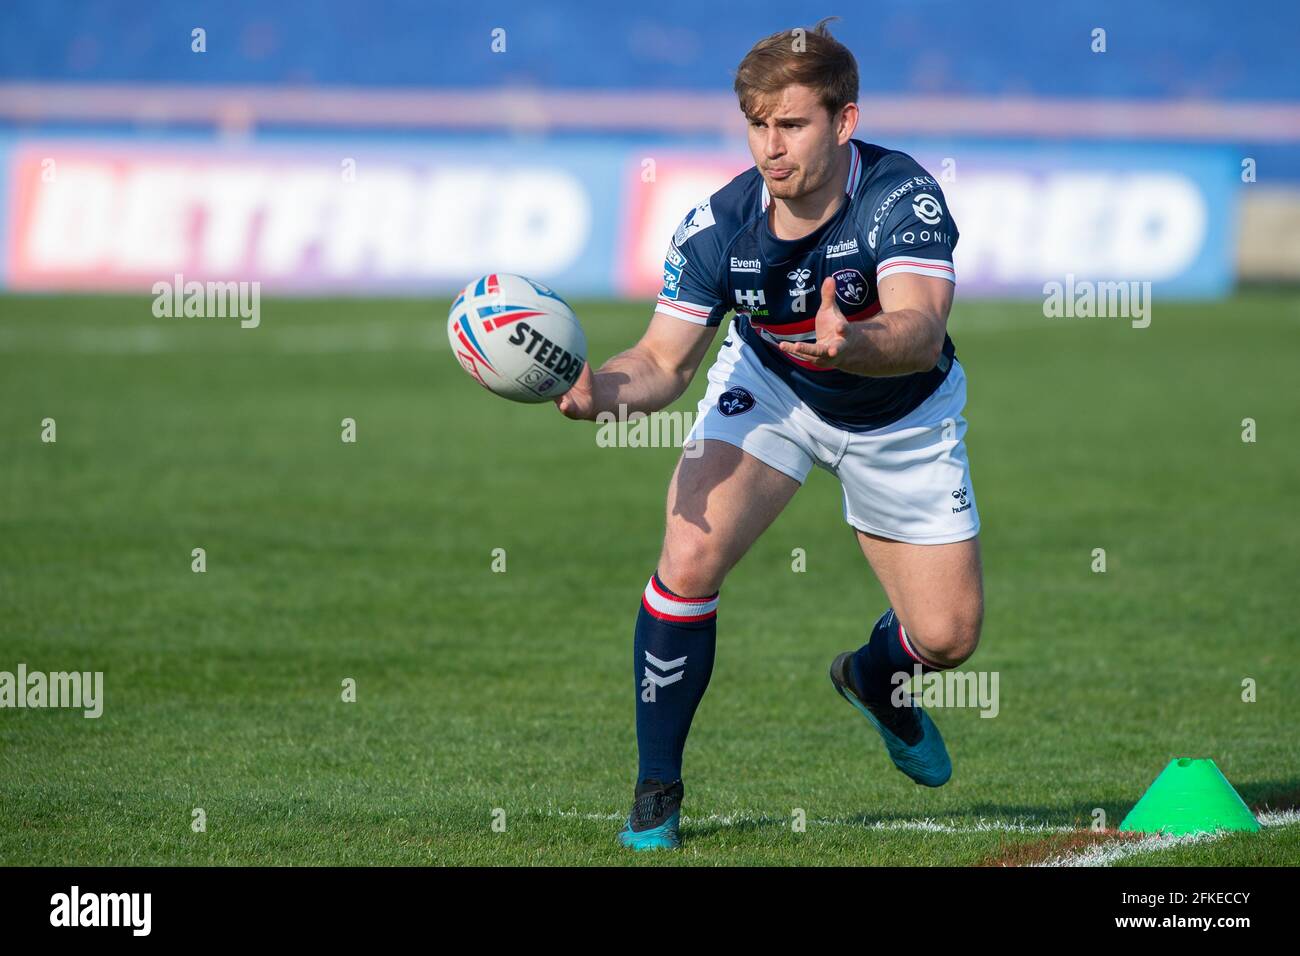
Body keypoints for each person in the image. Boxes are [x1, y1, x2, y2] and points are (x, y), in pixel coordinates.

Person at [555, 18, 983, 850]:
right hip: (773, 389)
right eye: (757, 124)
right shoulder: (721, 225)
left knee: (947, 637)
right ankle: (656, 792)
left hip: (900, 413)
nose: (770, 146)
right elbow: (662, 361)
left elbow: (921, 331)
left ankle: (874, 674)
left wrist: (855, 342)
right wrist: (596, 393)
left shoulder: (903, 196)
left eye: (791, 124)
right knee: (686, 555)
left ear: (844, 120)